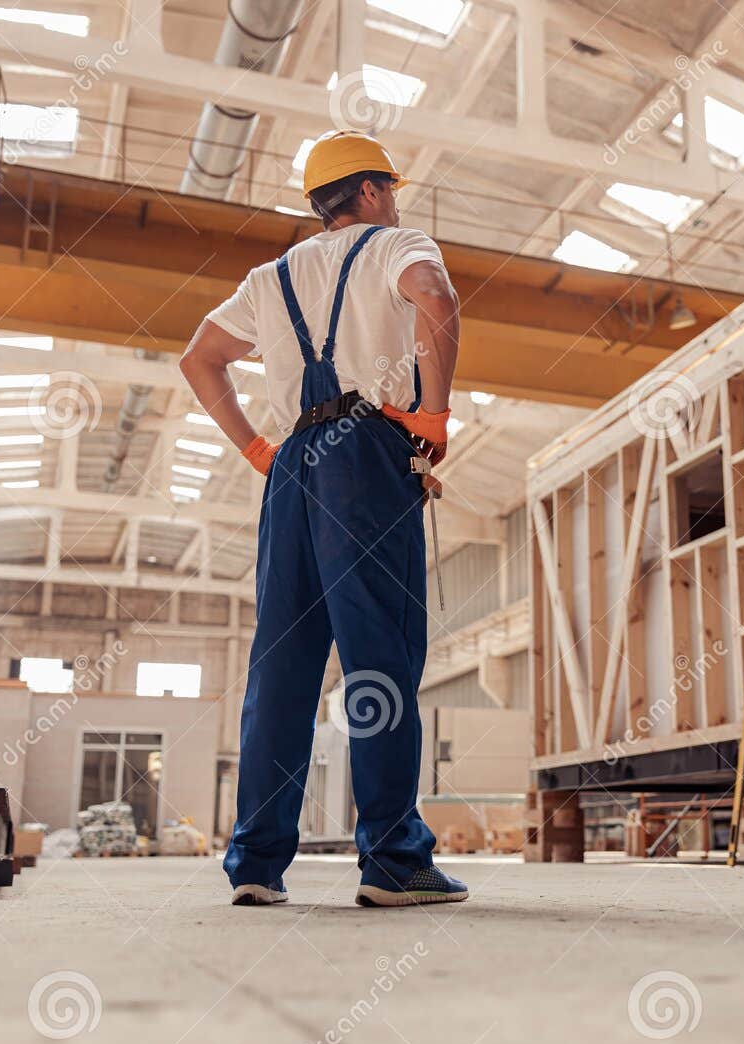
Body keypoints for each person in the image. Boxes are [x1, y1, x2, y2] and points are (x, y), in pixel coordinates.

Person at [179, 130, 466, 908]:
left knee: (282, 665)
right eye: (390, 188)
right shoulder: (397, 243)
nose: (396, 200)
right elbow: (437, 301)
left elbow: (199, 356)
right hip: (367, 457)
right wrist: (433, 418)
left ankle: (256, 866)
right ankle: (394, 861)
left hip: (293, 466)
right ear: (371, 192)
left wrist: (254, 450)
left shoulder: (268, 276)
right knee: (379, 656)